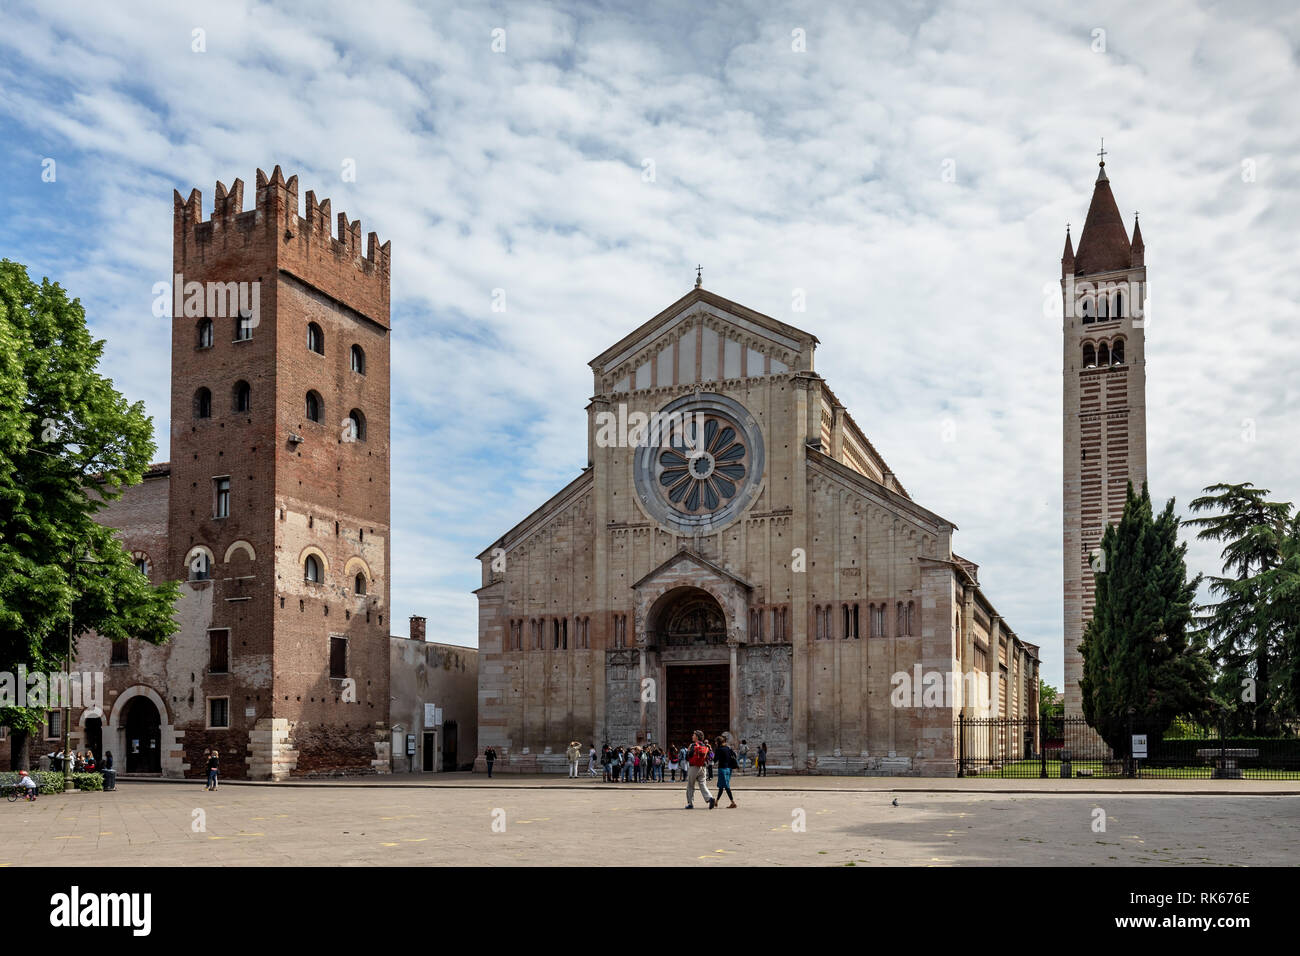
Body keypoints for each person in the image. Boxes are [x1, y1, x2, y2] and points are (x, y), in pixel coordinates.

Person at [683, 730, 716, 810]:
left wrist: (688, 751)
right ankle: (710, 798)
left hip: (694, 767)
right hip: (703, 767)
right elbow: (711, 756)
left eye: (693, 735)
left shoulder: (693, 745)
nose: (692, 736)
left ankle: (690, 803)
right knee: (703, 784)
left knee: (690, 785)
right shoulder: (706, 746)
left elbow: (687, 757)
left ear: (697, 737)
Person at [713, 735, 738, 808]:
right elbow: (734, 756)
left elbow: (715, 760)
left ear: (718, 742)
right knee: (722, 786)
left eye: (715, 742)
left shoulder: (719, 749)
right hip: (729, 769)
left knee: (726, 786)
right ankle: (716, 802)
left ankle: (733, 802)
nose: (715, 743)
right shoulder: (728, 748)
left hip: (722, 769)